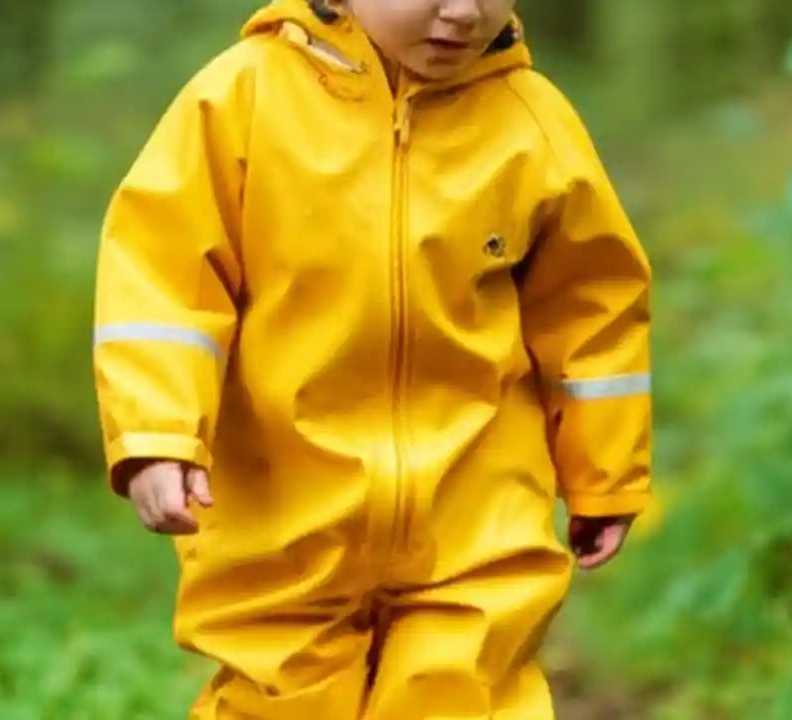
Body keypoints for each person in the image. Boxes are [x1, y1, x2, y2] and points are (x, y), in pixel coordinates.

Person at [90, 0, 653, 717]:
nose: (464, 12)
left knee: (465, 693)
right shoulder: (239, 98)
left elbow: (592, 306)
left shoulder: (530, 121)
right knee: (278, 696)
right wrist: (156, 434)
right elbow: (162, 282)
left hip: (475, 505)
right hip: (282, 508)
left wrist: (604, 472)